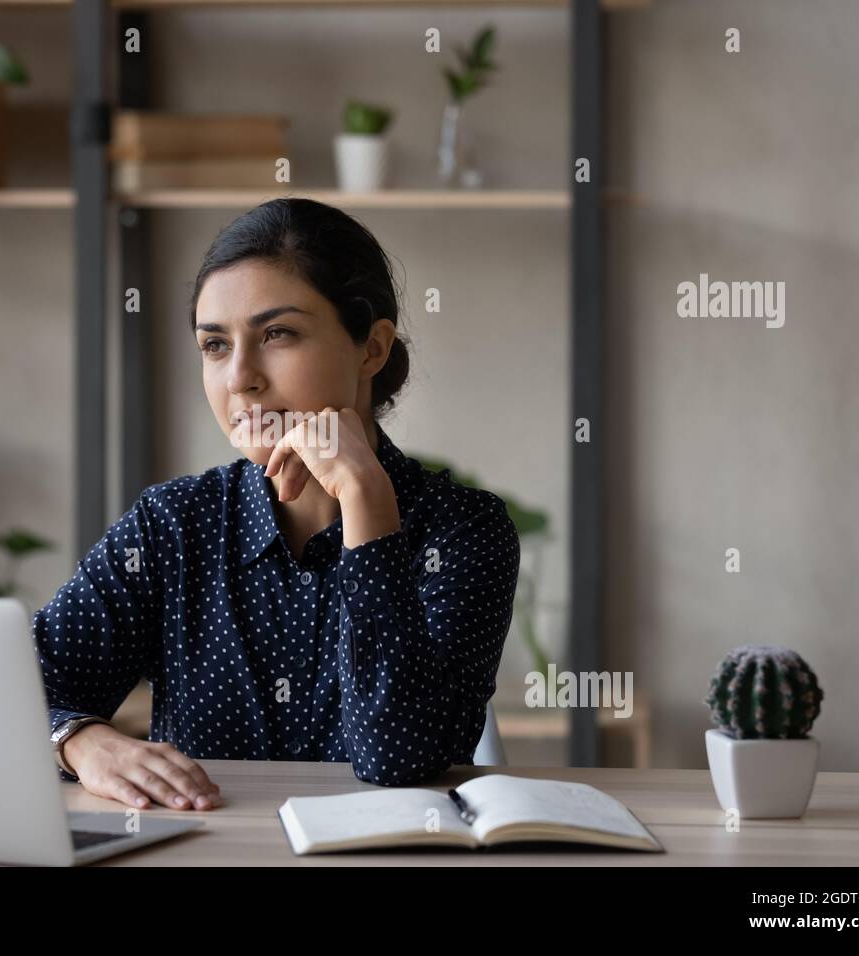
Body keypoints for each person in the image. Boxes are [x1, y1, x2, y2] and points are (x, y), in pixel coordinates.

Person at [33, 197, 520, 812]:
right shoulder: (174, 523)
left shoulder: (464, 530)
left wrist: (369, 506)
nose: (240, 378)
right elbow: (11, 689)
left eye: (277, 334)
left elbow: (398, 760)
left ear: (371, 348)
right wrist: (83, 742)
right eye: (214, 345)